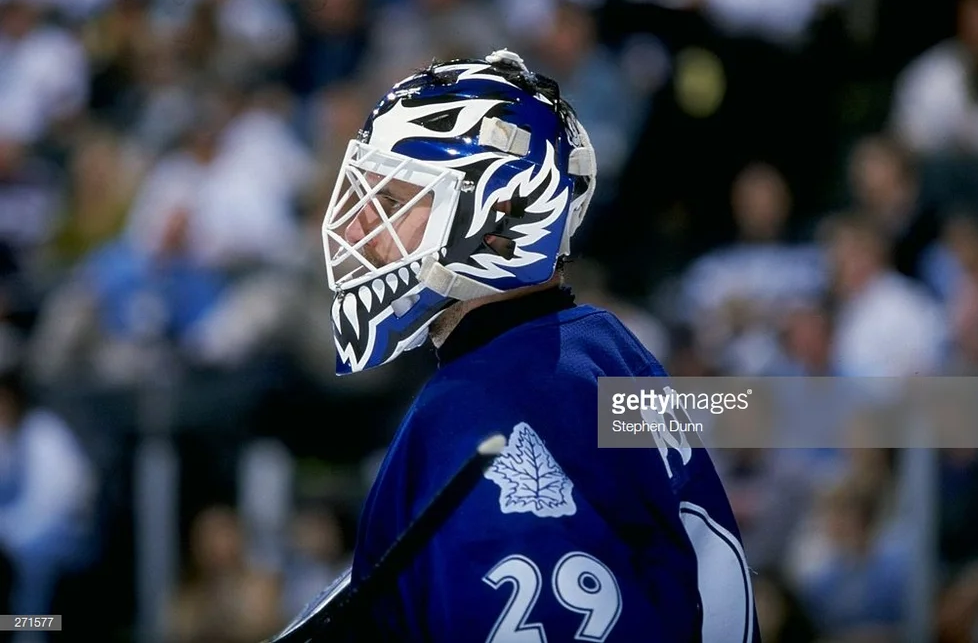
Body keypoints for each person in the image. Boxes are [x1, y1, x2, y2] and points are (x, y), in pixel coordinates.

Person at [291, 49, 761, 641]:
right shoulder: (602, 348)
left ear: (495, 211)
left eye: (390, 202)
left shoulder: (476, 412)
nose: (357, 229)